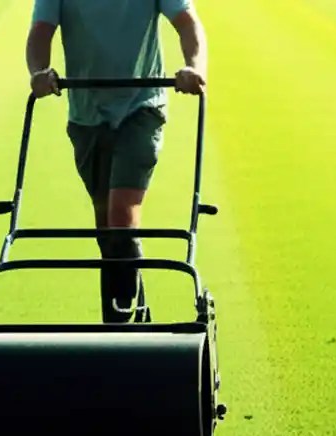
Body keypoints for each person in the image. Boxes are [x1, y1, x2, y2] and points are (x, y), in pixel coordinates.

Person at [26, 0, 208, 323]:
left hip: (142, 107)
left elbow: (187, 23)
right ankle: (136, 314)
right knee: (107, 231)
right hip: (86, 116)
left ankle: (119, 329)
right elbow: (40, 33)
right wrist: (39, 73)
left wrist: (194, 68)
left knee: (120, 216)